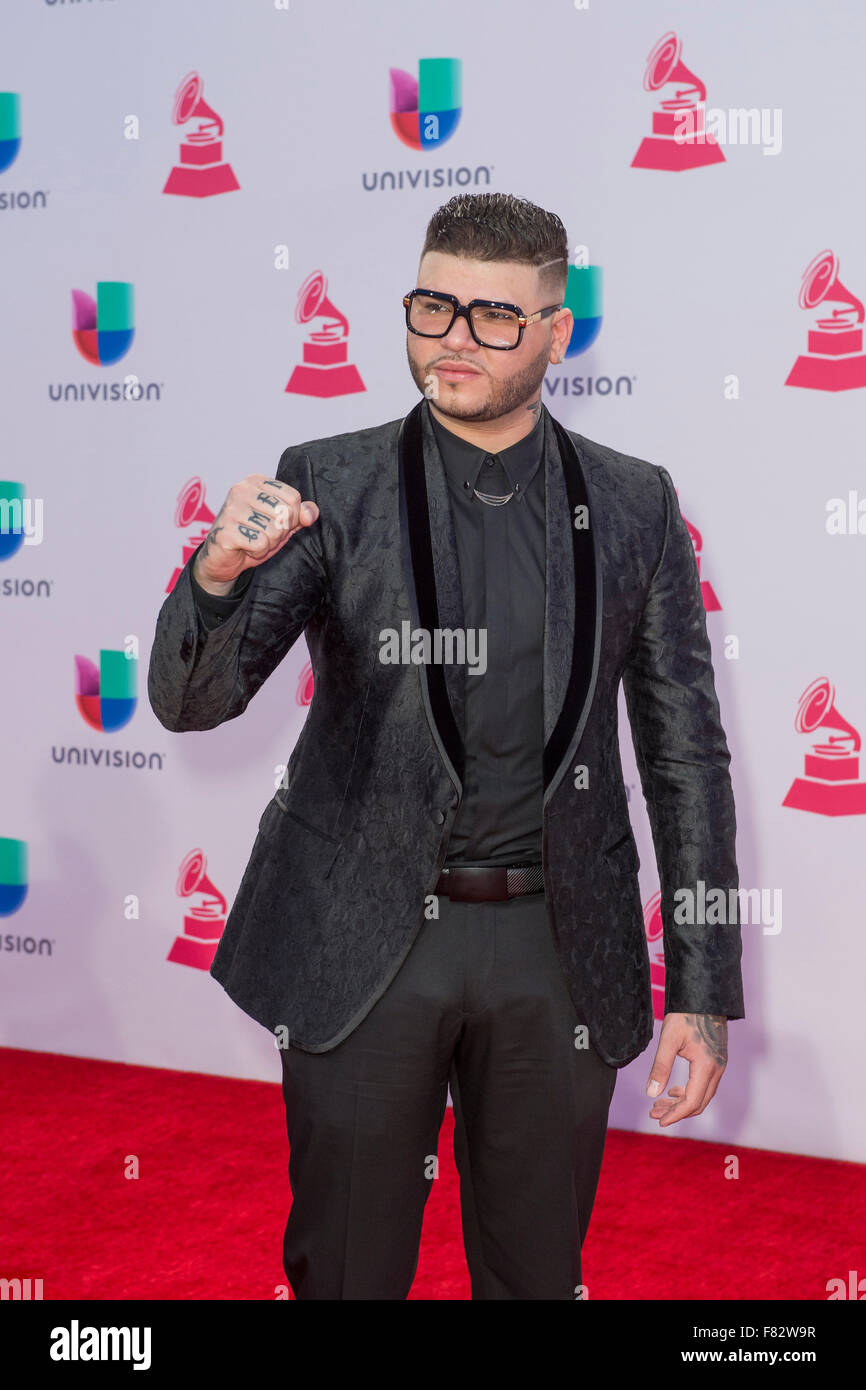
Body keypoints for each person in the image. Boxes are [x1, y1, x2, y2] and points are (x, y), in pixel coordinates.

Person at [148, 191, 744, 1300]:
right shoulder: (331, 480)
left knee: (533, 1277)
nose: (451, 339)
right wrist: (216, 578)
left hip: (556, 954)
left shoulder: (632, 504)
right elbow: (195, 704)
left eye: (490, 316)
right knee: (347, 1272)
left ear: (556, 332)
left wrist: (699, 991)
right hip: (364, 942)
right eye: (431, 305)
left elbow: (683, 761)